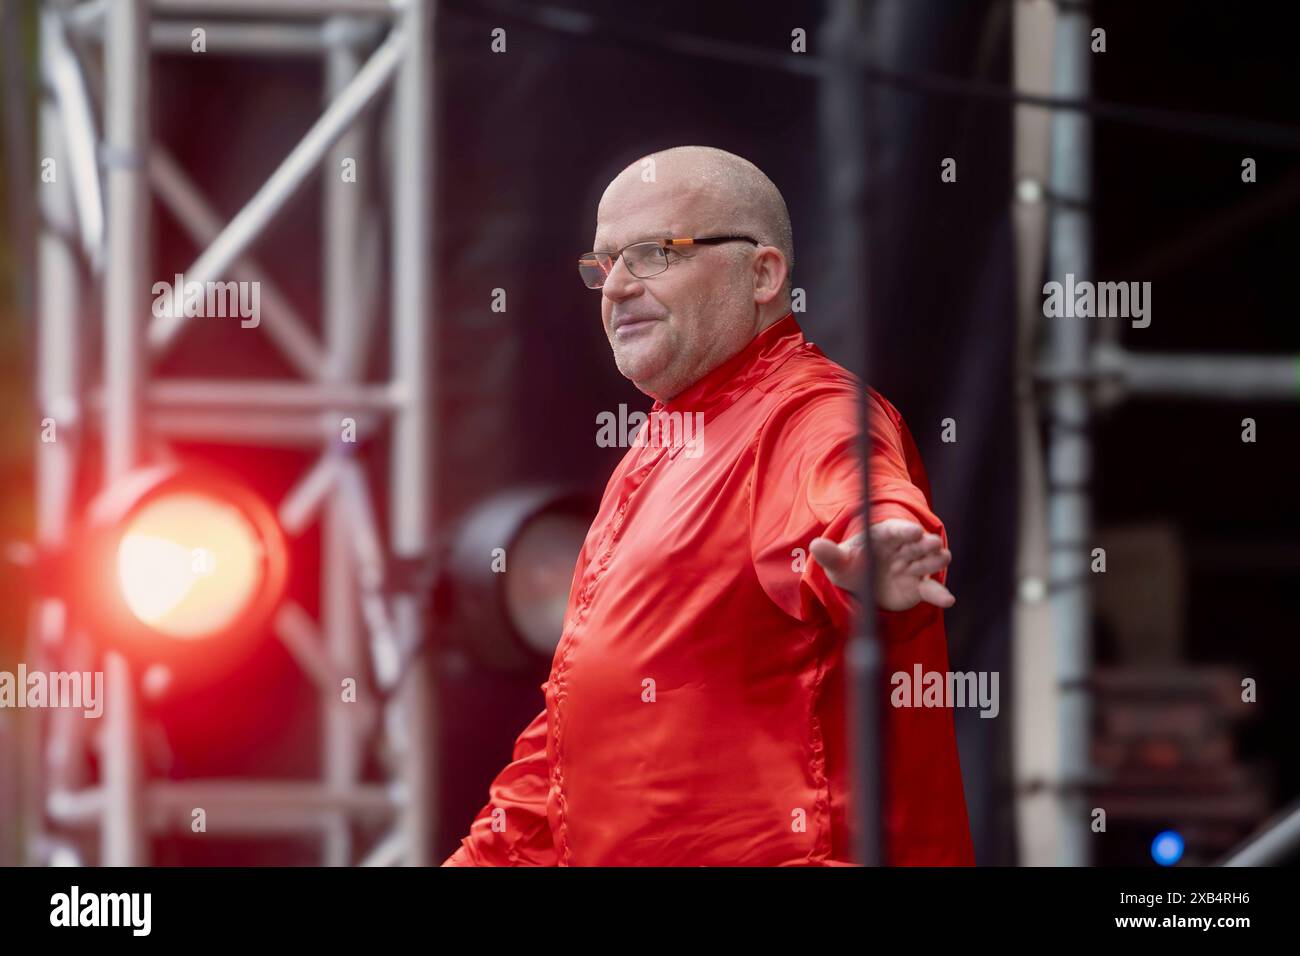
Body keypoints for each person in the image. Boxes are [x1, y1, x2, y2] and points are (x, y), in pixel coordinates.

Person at [444, 146, 974, 866]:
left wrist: (874, 548)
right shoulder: (658, 449)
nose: (617, 288)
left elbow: (854, 496)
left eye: (653, 254)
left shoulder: (807, 409)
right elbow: (567, 747)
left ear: (762, 274)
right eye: (603, 265)